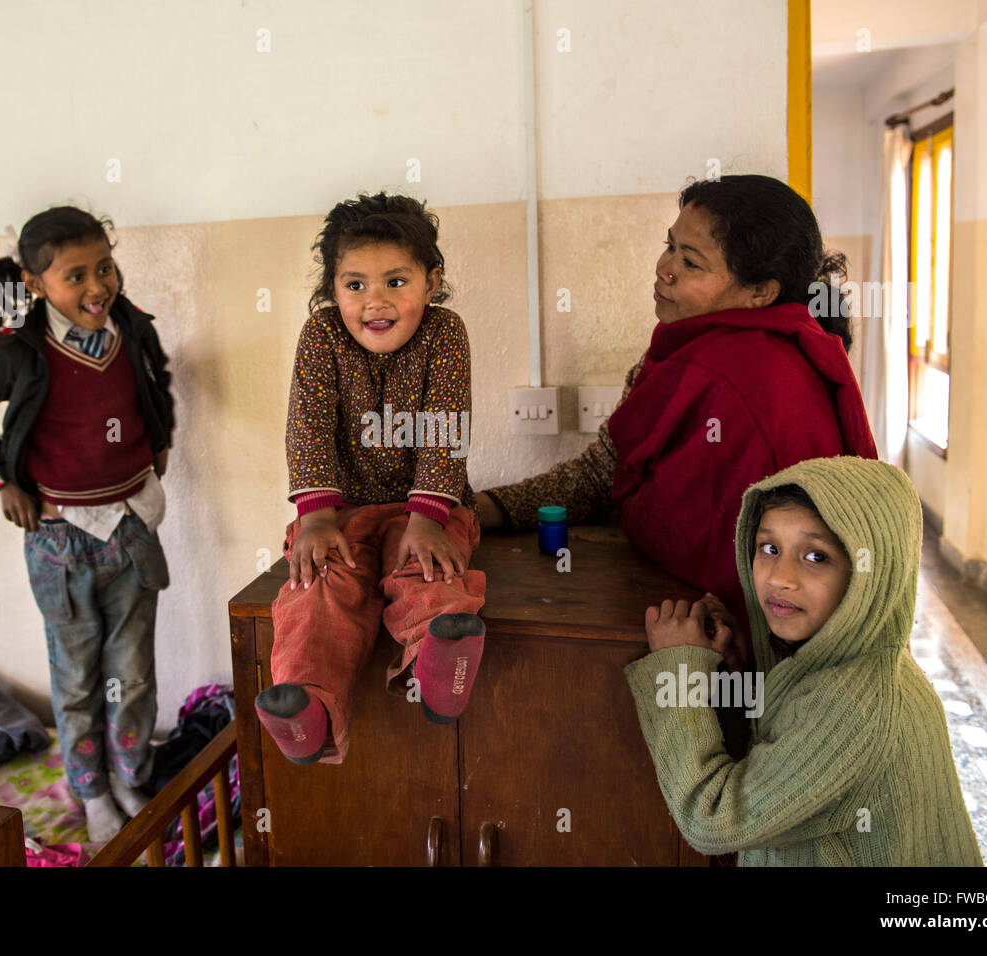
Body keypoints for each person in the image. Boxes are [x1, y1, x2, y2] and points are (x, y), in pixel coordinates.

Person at [476, 174, 878, 670]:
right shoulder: (691, 347)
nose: (664, 269)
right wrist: (490, 507)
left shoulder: (741, 376)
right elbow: (606, 471)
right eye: (670, 246)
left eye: (691, 262)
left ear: (759, 292)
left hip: (739, 653)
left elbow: (766, 578)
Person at [0, 206, 176, 843]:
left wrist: (162, 440)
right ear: (35, 283)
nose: (98, 286)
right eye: (76, 276)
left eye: (105, 267)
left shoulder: (132, 328)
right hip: (59, 541)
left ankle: (131, 774)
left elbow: (161, 380)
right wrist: (6, 482)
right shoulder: (18, 351)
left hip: (129, 529)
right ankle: (90, 790)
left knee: (133, 672)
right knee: (76, 680)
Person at [625, 456, 984, 865]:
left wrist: (679, 668)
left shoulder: (854, 704)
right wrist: (745, 671)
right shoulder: (853, 662)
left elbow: (712, 818)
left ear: (869, 576)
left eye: (816, 557)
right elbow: (780, 759)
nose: (780, 576)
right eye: (769, 547)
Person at [254, 192, 487, 766]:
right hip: (343, 513)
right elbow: (307, 427)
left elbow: (446, 427)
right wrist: (313, 517)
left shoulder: (445, 334)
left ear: (431, 283)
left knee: (428, 570)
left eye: (396, 282)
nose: (375, 302)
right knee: (319, 583)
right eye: (355, 284)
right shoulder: (321, 338)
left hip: (425, 512)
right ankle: (308, 705)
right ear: (332, 288)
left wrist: (429, 518)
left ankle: (440, 660)